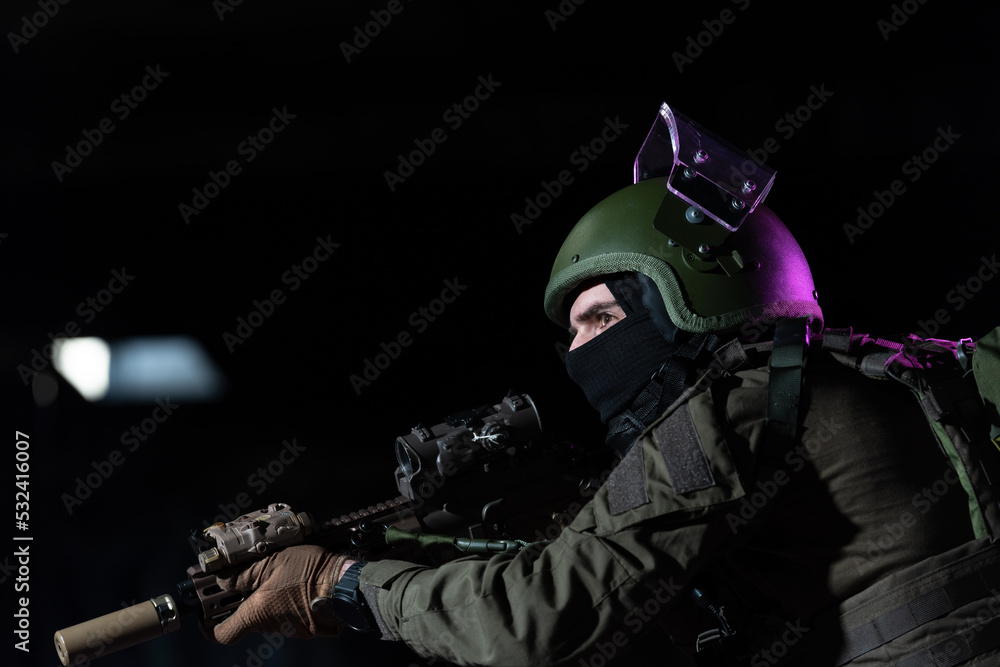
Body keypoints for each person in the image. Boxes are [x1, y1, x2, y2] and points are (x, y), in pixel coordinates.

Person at [208, 108, 1000, 666]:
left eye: (601, 316)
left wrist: (340, 585)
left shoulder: (736, 408)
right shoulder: (880, 367)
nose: (580, 351)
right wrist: (381, 550)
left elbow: (540, 618)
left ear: (686, 293)